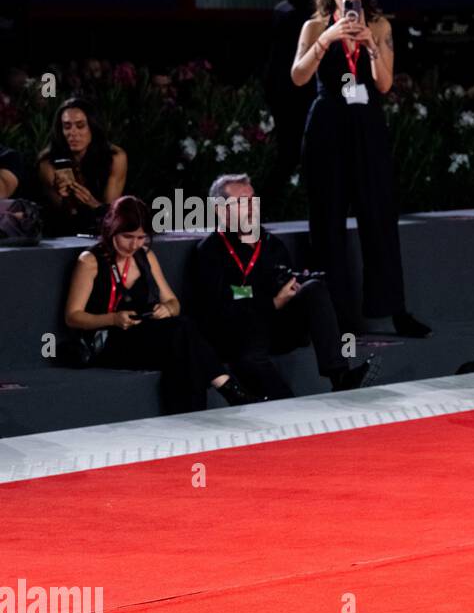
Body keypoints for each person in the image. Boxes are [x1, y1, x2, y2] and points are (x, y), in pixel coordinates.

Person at [289, 0, 431, 339]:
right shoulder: (315, 25)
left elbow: (384, 84)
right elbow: (298, 77)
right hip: (328, 124)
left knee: (379, 217)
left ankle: (395, 310)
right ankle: (334, 317)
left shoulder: (380, 25)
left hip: (367, 123)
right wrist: (327, 40)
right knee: (327, 221)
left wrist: (370, 45)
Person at [64, 195, 263, 412]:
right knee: (183, 335)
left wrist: (166, 309)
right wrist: (112, 318)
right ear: (111, 230)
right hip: (107, 340)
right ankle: (229, 390)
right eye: (128, 236)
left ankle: (196, 413)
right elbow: (73, 316)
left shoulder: (144, 256)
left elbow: (173, 302)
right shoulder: (90, 261)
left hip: (140, 333)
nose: (134, 244)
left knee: (182, 340)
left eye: (141, 238)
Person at [189, 173, 375, 399]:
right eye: (242, 202)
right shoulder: (209, 251)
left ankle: (341, 377)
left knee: (313, 288)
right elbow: (218, 310)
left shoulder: (269, 243)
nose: (251, 208)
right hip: (238, 334)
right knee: (247, 342)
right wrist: (271, 302)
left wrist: (293, 286)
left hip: (275, 327)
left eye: (253, 200)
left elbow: (279, 279)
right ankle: (284, 402)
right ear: (220, 210)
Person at [265, 0, 326, 194]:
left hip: (283, 94)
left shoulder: (284, 9)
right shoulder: (309, 16)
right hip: (304, 95)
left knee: (288, 155)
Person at [37, 98, 127, 237]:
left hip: (102, 231)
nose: (73, 133)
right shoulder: (47, 163)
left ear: (93, 127)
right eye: (67, 126)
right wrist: (65, 198)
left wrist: (93, 204)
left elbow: (111, 215)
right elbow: (62, 217)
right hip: (60, 233)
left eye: (80, 126)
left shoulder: (115, 158)